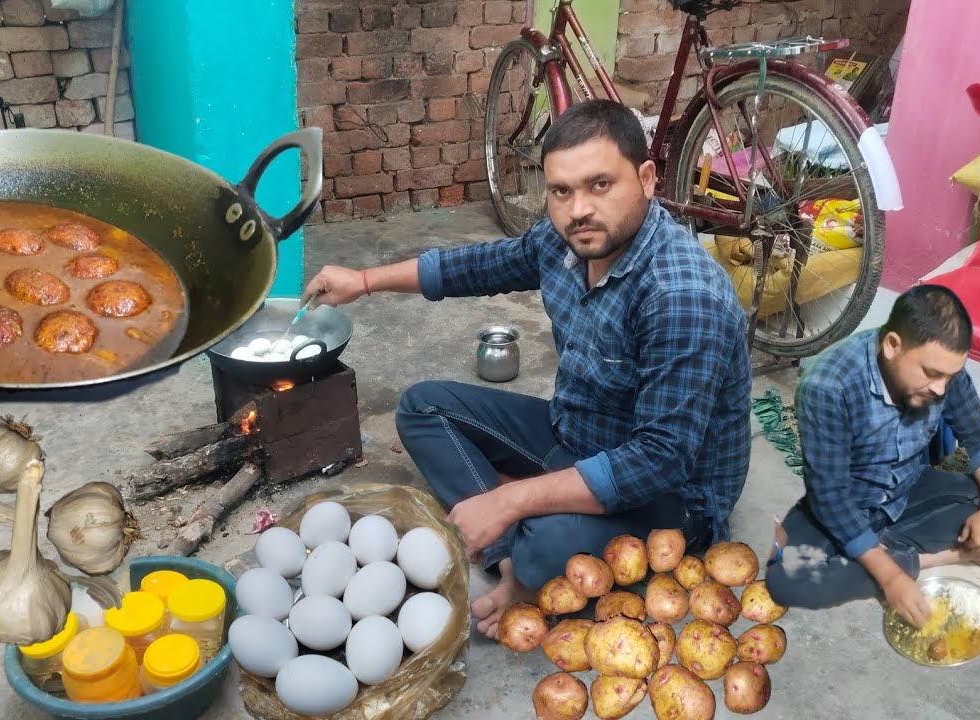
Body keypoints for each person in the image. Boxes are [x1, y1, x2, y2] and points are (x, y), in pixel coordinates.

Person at [301, 99, 752, 638]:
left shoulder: (680, 293)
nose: (578, 208)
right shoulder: (565, 243)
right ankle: (517, 537)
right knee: (423, 407)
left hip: (673, 494)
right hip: (578, 434)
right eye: (562, 191)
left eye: (600, 184)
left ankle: (522, 551)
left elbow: (659, 460)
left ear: (647, 179)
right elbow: (475, 266)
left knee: (544, 552)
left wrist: (508, 498)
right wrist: (365, 280)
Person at [764, 285, 980, 626]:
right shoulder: (828, 384)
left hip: (906, 493)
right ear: (893, 345)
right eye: (931, 374)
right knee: (787, 579)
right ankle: (935, 558)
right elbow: (831, 497)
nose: (941, 388)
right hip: (847, 508)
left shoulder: (943, 370)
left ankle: (880, 554)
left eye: (949, 376)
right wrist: (892, 579)